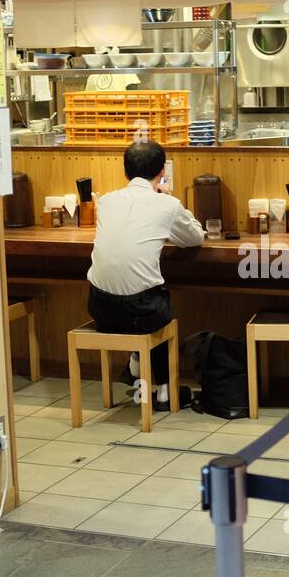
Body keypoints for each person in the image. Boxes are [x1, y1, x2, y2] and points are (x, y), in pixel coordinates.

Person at [86, 140, 204, 409]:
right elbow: (194, 238)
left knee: (142, 297)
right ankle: (163, 392)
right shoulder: (166, 204)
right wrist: (168, 201)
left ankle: (137, 368)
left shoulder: (105, 202)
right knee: (157, 307)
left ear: (126, 172)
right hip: (141, 313)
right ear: (162, 171)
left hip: (99, 309)